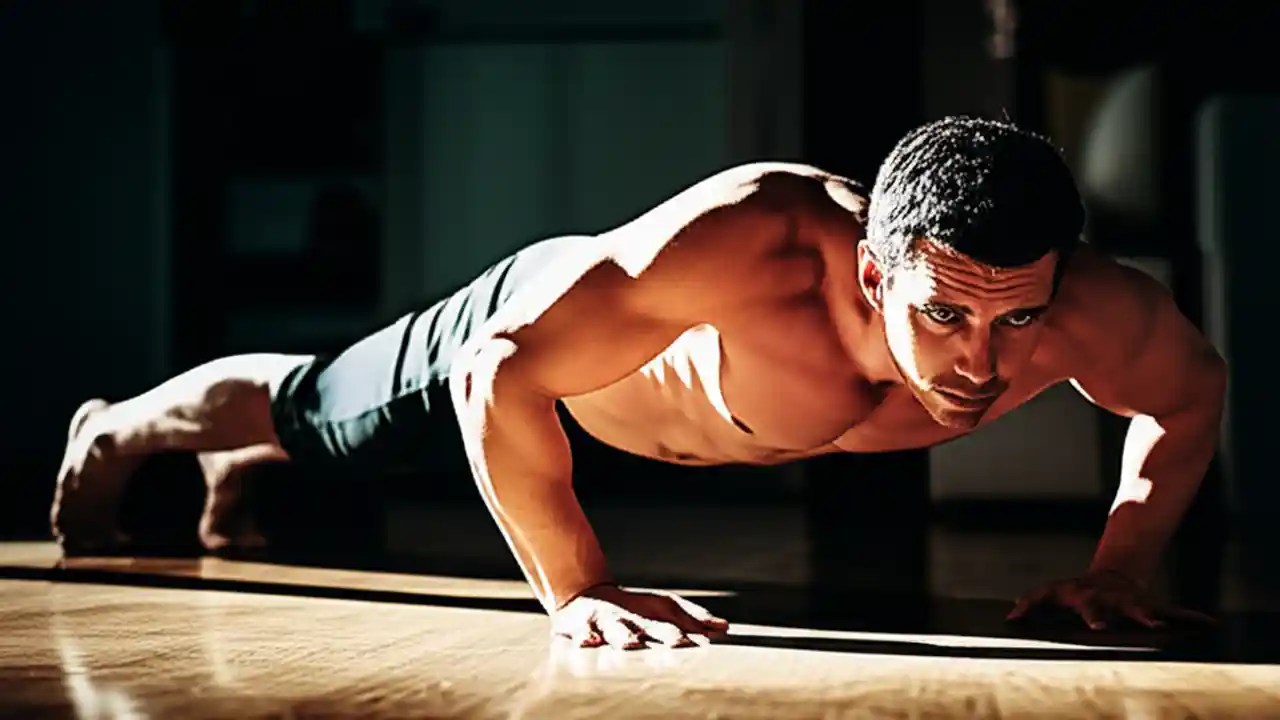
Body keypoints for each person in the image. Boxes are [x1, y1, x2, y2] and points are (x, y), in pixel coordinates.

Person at [51, 116, 1227, 650]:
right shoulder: (754, 241)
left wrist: (1116, 567)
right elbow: (502, 370)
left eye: (1016, 319)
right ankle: (113, 433)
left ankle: (246, 467)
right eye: (943, 315)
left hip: (628, 421)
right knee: (316, 410)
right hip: (536, 364)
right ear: (871, 273)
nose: (980, 364)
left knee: (312, 442)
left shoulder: (1091, 307)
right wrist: (577, 591)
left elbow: (1182, 398)